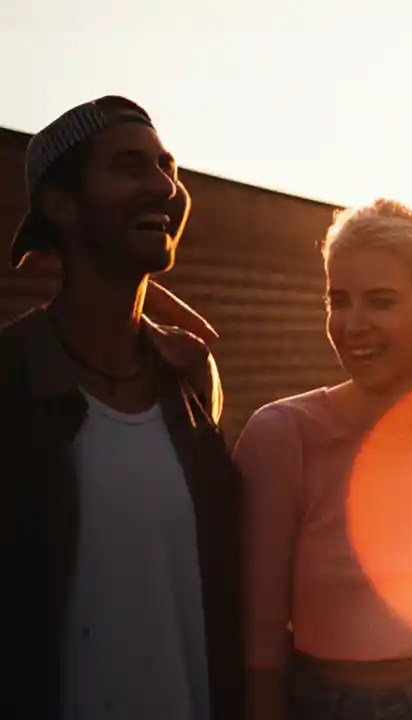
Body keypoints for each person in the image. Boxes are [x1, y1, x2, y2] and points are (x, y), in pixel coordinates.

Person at [0, 96, 242, 719]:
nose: (164, 186)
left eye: (167, 167)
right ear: (61, 203)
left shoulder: (188, 388)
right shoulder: (11, 386)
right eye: (131, 167)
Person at [235, 199, 412, 720]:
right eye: (339, 300)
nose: (353, 324)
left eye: (381, 302)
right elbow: (259, 633)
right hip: (322, 705)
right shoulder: (283, 435)